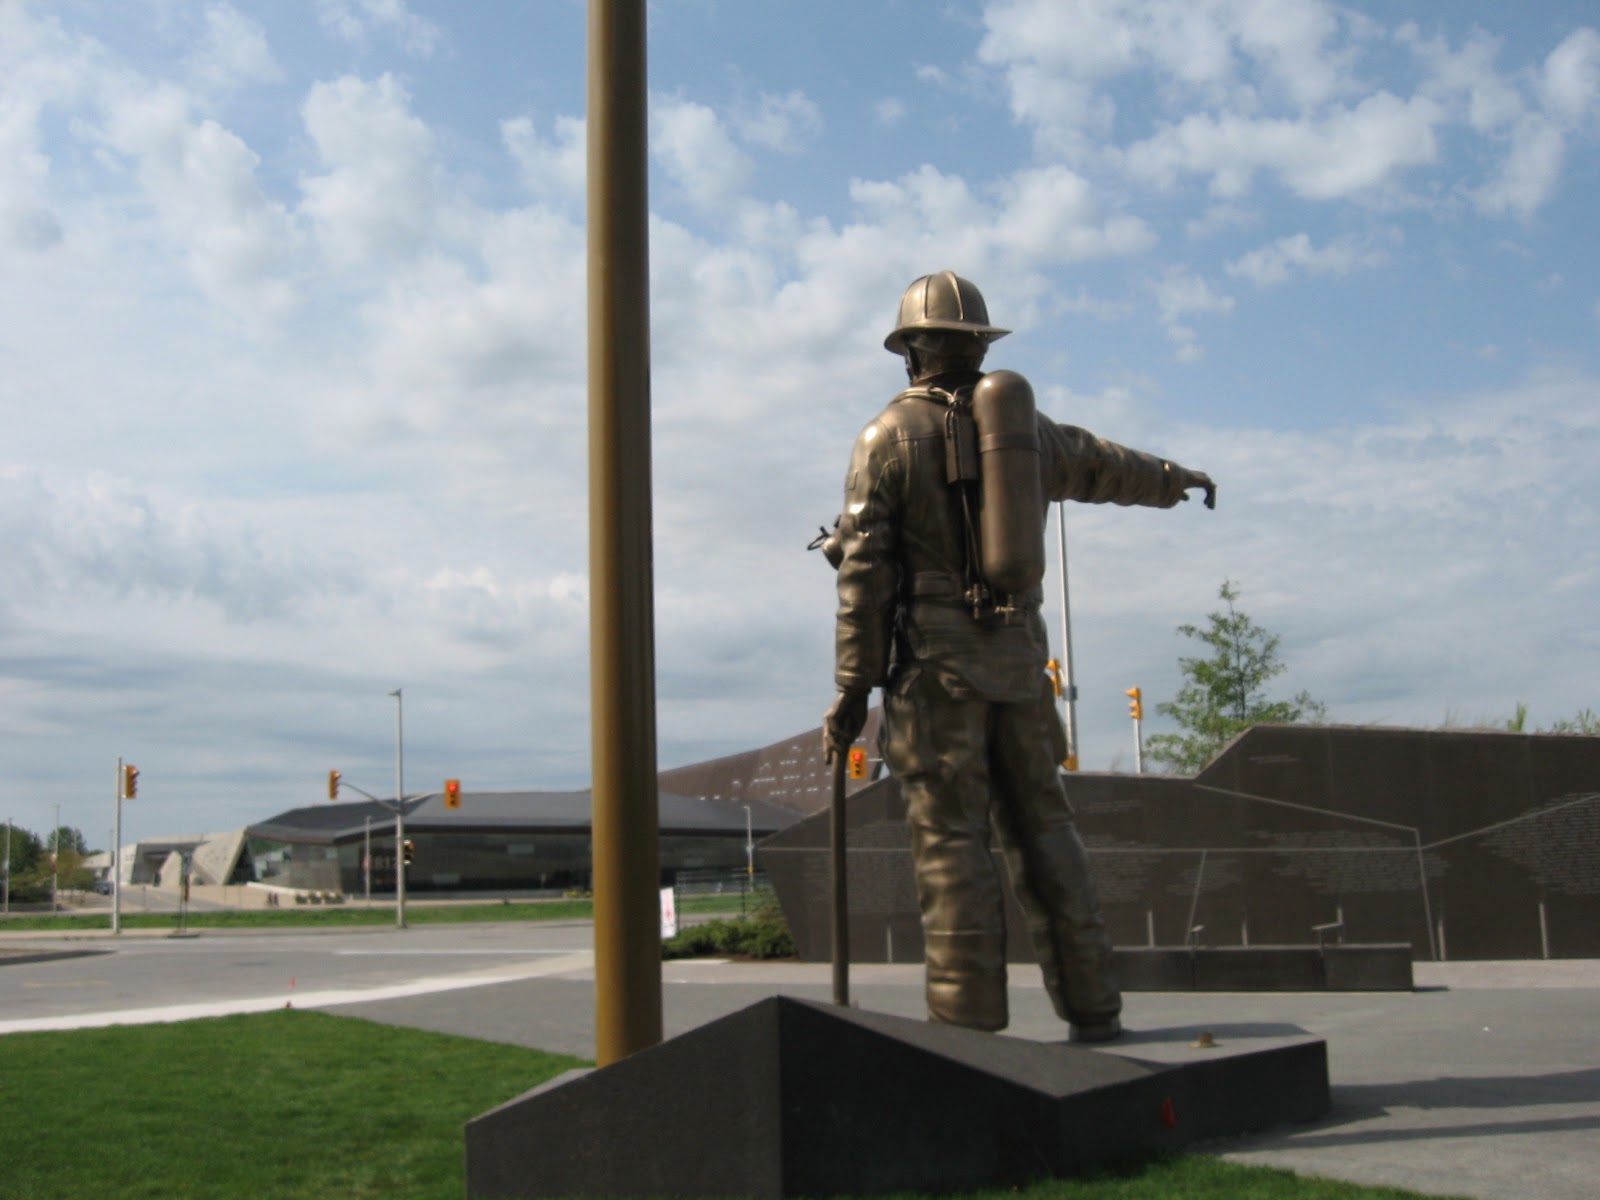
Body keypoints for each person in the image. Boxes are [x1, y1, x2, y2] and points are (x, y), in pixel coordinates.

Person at [821, 271, 1215, 1041]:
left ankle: (967, 1031)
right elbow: (1107, 465)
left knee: (950, 844)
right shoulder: (1024, 430)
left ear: (912, 351)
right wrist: (1177, 480)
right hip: (1021, 665)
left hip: (935, 673)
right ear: (977, 344)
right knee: (1046, 831)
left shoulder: (885, 437)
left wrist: (851, 689)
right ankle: (1095, 1004)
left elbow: (865, 576)